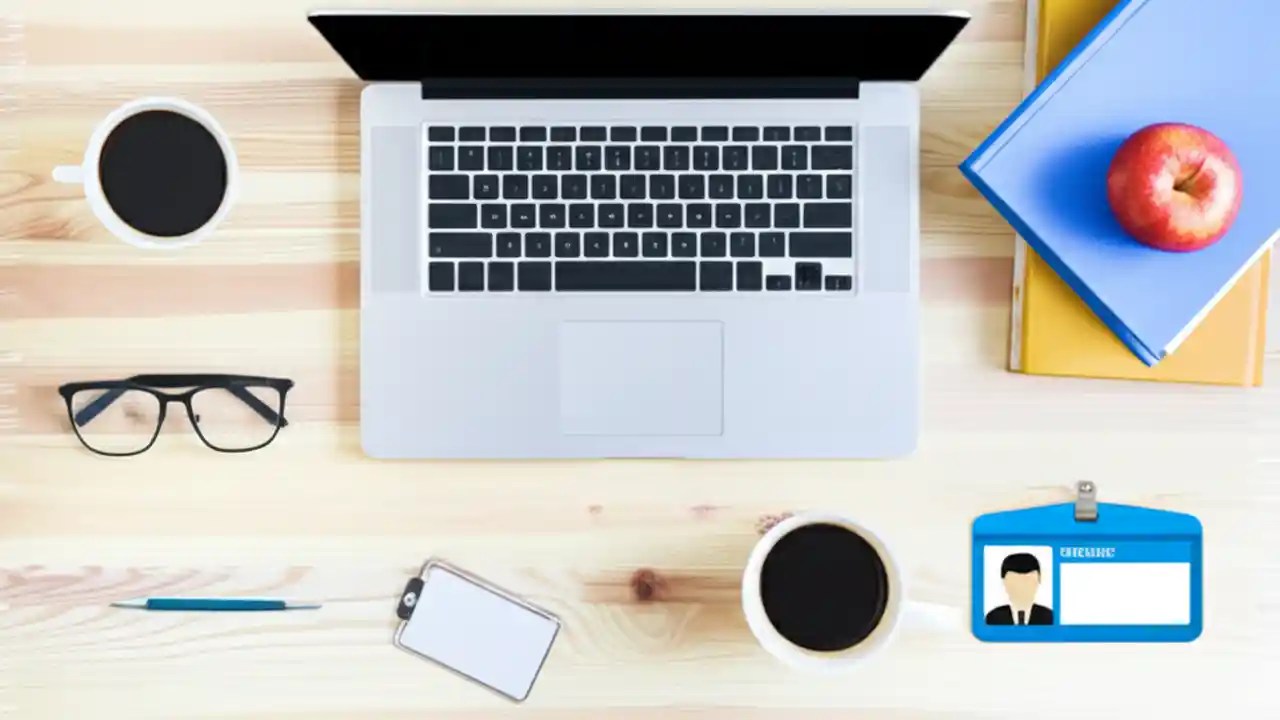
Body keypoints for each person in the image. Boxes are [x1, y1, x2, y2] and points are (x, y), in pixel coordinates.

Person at [985, 552, 1054, 625]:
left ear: (1039, 580)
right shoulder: (993, 618)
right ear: (1003, 582)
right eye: (1015, 580)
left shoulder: (1050, 618)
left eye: (1028, 580)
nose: (1022, 587)